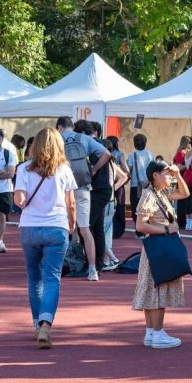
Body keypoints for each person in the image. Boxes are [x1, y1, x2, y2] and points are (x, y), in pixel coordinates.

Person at [15, 129, 77, 349]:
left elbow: (19, 200)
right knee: (52, 278)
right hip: (56, 226)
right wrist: (73, 223)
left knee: (34, 278)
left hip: (30, 227)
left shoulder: (23, 169)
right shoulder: (64, 169)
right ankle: (46, 323)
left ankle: (36, 322)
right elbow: (71, 203)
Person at [132, 159, 191, 349]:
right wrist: (166, 229)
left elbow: (185, 193)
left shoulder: (161, 192)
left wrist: (177, 174)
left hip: (155, 249)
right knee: (157, 289)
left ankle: (151, 332)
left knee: (152, 289)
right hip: (156, 248)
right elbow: (140, 226)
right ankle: (158, 333)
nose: (169, 176)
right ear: (155, 175)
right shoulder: (149, 195)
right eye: (165, 173)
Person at [57, 116, 109, 280]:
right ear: (72, 126)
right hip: (83, 186)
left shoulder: (56, 139)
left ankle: (61, 265)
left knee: (64, 228)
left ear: (59, 127)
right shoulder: (85, 138)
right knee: (85, 229)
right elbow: (106, 153)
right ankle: (93, 270)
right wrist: (93, 169)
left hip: (64, 188)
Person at [76, 119, 114, 280]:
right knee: (96, 229)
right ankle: (97, 264)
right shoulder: (97, 142)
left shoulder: (91, 144)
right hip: (101, 189)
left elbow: (106, 156)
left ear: (82, 133)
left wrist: (94, 169)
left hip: (97, 190)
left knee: (85, 227)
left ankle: (91, 263)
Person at [101, 138, 130, 269]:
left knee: (99, 231)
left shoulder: (104, 163)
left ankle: (112, 258)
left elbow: (124, 176)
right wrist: (114, 188)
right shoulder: (112, 162)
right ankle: (107, 260)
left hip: (104, 199)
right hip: (111, 199)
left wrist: (111, 188)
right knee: (107, 230)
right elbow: (124, 176)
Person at [127, 133, 154, 220]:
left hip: (135, 184)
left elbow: (129, 169)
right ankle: (147, 227)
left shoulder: (132, 155)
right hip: (148, 184)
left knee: (136, 206)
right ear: (145, 143)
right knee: (148, 206)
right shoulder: (150, 154)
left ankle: (139, 229)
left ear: (134, 144)